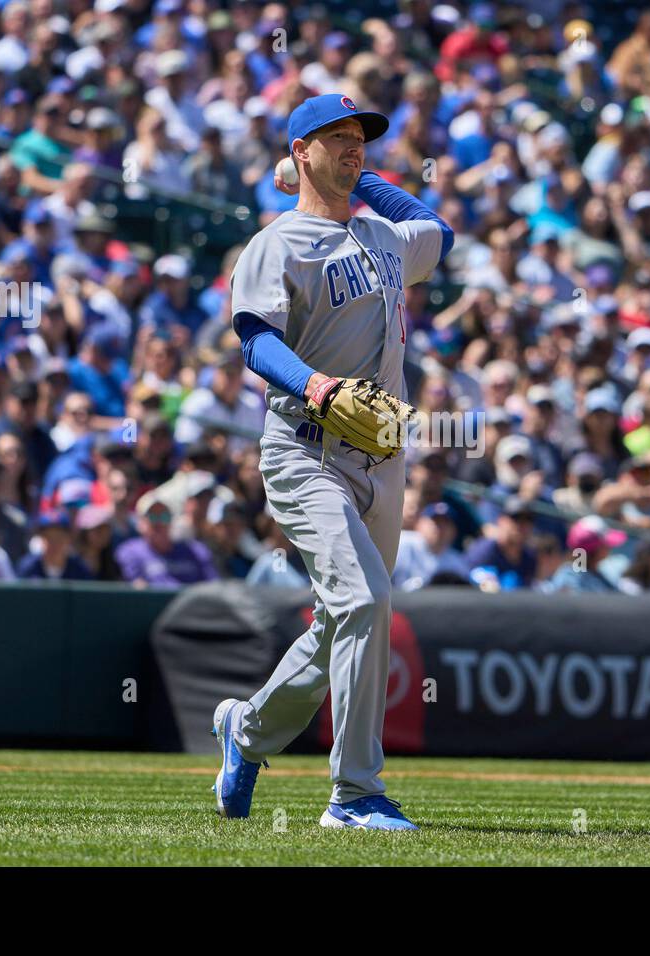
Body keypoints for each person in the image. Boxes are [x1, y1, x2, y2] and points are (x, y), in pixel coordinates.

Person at [210, 94, 453, 832]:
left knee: (347, 617)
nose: (356, 149)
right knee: (365, 602)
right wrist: (317, 385)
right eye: (338, 139)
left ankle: (245, 733)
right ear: (298, 151)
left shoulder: (381, 232)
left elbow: (437, 230)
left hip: (381, 456)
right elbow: (255, 337)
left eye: (362, 140)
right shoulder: (277, 244)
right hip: (304, 450)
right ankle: (354, 795)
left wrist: (357, 176)